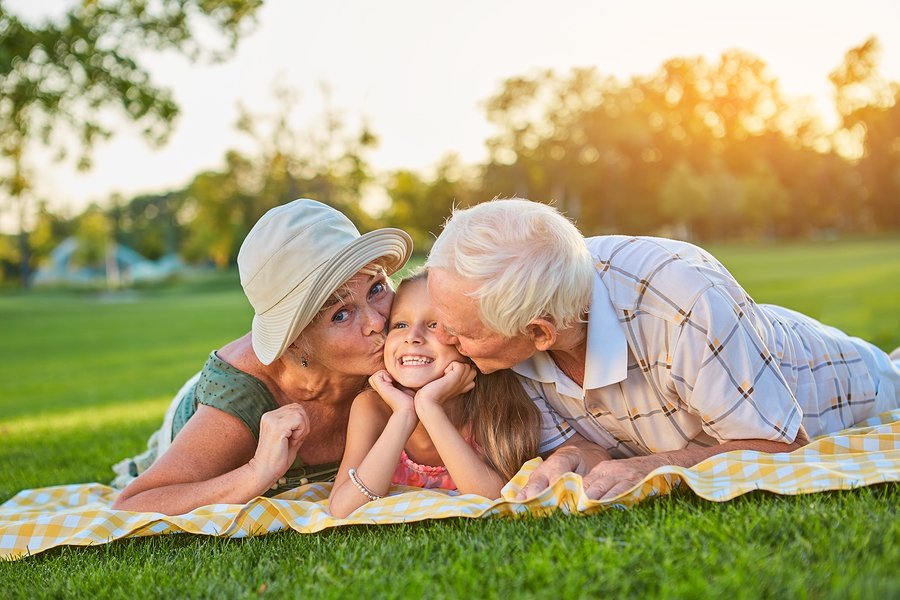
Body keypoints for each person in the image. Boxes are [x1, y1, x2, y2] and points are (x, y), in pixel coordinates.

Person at [425, 198, 900, 501]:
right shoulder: (517, 323)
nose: (444, 339)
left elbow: (781, 445)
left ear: (540, 333)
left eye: (461, 331)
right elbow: (589, 438)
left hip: (843, 376)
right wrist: (571, 456)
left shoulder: (683, 301)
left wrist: (652, 467)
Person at [111, 199, 413, 515]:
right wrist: (257, 470)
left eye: (376, 288)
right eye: (341, 315)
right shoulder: (242, 399)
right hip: (198, 407)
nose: (377, 321)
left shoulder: (403, 338)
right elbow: (132, 505)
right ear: (294, 343)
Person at [328, 270, 542, 518]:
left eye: (433, 325)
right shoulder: (372, 407)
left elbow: (492, 501)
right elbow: (342, 508)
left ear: (465, 339)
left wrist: (429, 407)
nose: (412, 337)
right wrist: (404, 414)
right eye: (400, 325)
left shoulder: (489, 400)